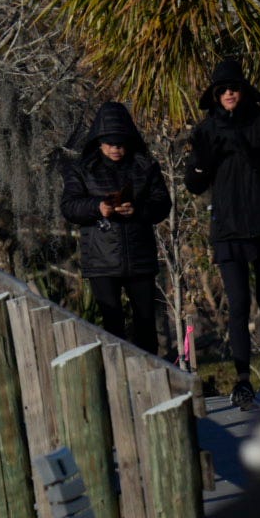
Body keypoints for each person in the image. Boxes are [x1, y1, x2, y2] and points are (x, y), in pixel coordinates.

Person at [184, 58, 260, 411]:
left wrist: (254, 153)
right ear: (214, 95)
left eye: (233, 88)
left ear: (243, 90)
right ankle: (242, 380)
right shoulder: (206, 131)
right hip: (229, 229)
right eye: (222, 89)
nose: (229, 93)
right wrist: (203, 161)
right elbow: (193, 183)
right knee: (238, 304)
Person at [60, 101, 173, 357]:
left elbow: (162, 204)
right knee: (112, 328)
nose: (116, 148)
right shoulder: (80, 169)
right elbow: (69, 206)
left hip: (139, 258)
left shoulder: (145, 166)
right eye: (110, 142)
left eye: (120, 142)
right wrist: (98, 207)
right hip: (101, 260)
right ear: (99, 141)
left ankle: (151, 376)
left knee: (146, 325)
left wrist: (138, 211)